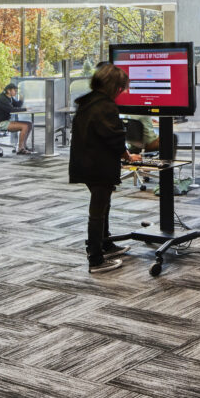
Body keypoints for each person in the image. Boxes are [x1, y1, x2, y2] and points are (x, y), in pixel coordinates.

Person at [68, 62, 141, 274]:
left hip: (84, 162)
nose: (122, 92)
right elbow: (114, 138)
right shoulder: (106, 106)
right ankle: (96, 259)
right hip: (98, 165)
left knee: (102, 205)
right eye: (121, 88)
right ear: (113, 86)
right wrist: (127, 156)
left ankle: (105, 244)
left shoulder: (87, 101)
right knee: (98, 211)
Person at [0, 83, 34, 155]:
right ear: (8, 90)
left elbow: (17, 105)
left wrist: (21, 98)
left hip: (4, 121)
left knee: (29, 124)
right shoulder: (2, 99)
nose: (16, 92)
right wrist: (25, 109)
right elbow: (11, 110)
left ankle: (24, 146)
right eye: (15, 90)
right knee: (25, 126)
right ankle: (20, 149)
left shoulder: (9, 97)